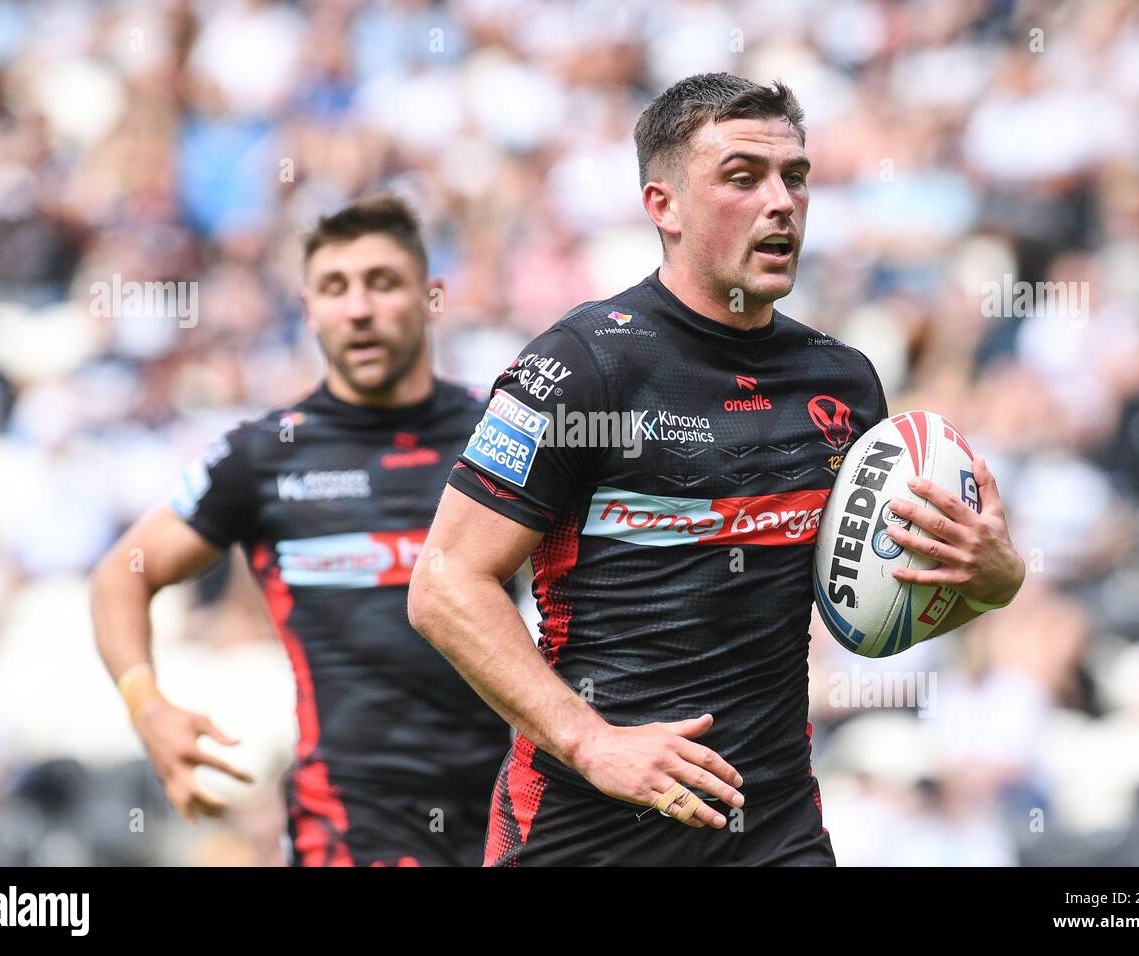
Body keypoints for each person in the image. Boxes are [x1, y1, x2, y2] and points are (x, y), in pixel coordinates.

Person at [408, 73, 1026, 866]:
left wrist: (991, 580)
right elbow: (445, 584)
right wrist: (591, 743)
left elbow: (869, 614)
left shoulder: (841, 382)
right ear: (662, 205)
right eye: (743, 177)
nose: (782, 202)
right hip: (584, 831)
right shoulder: (583, 364)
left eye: (795, 177)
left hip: (773, 830)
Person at [90, 194, 512, 866]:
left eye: (383, 282)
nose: (359, 309)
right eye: (334, 288)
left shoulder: (501, 436)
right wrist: (149, 709)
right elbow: (121, 575)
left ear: (432, 297)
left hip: (515, 805)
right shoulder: (265, 456)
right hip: (351, 815)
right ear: (309, 308)